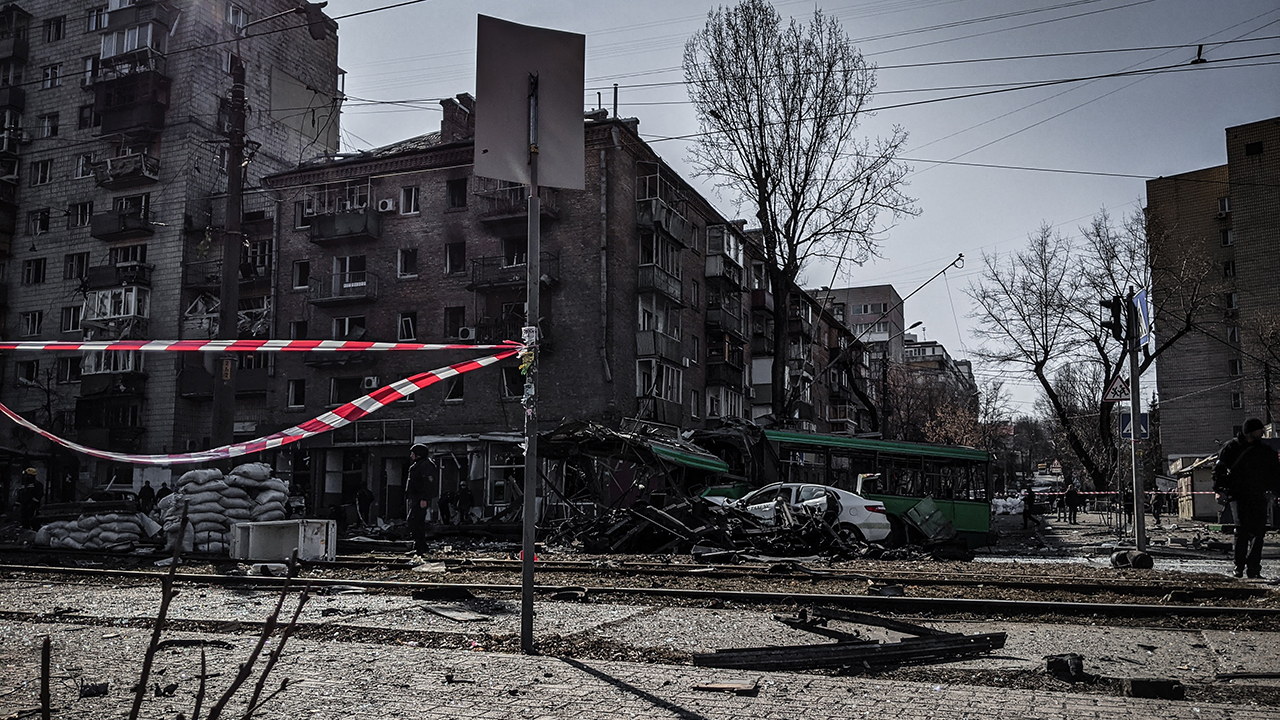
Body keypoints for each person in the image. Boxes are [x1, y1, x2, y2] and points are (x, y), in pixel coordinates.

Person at [1213, 418, 1280, 579]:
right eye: (1260, 430)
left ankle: (1254, 569)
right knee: (1242, 530)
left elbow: (1275, 474)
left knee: (1259, 532)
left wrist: (1277, 493)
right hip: (1237, 495)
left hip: (1259, 495)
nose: (1263, 432)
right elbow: (1219, 470)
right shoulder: (1231, 448)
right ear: (1250, 432)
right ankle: (1239, 566)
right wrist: (1218, 490)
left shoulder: (1265, 451)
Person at [405, 444, 436, 553]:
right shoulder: (418, 465)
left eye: (412, 453)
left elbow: (428, 483)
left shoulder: (425, 466)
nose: (411, 455)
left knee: (415, 520)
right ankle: (419, 546)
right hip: (415, 498)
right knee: (416, 521)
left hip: (420, 499)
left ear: (418, 454)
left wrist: (424, 498)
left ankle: (421, 546)